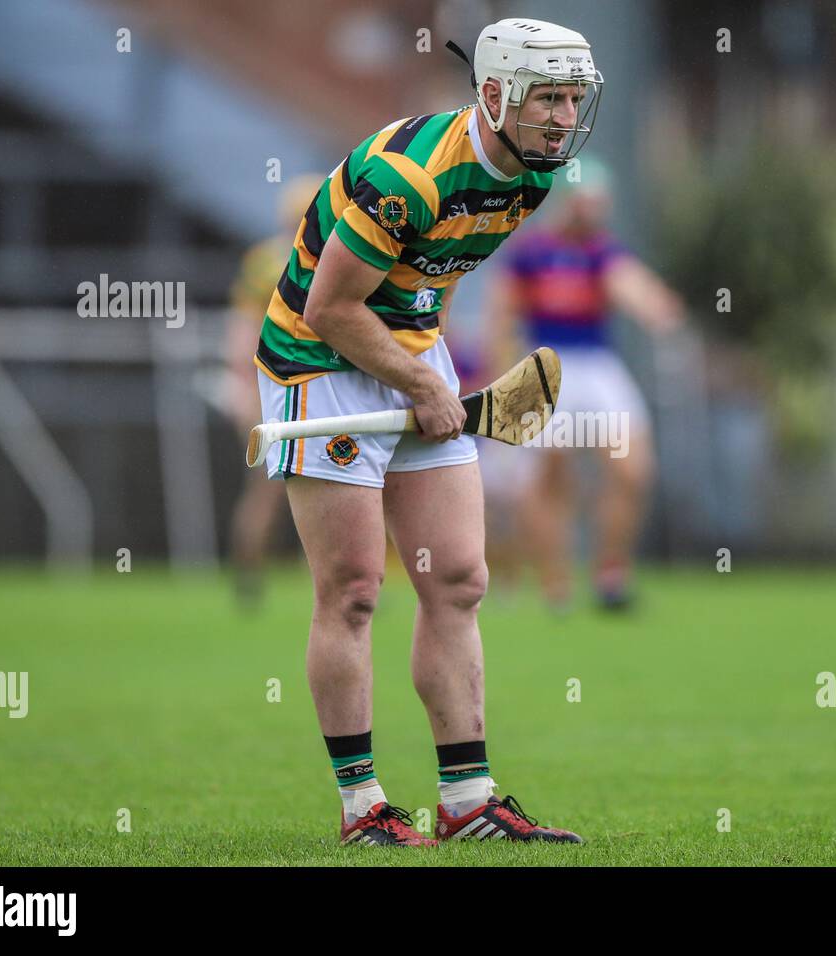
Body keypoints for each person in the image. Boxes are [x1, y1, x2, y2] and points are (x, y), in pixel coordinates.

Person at [251, 19, 601, 847]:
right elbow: (327, 308)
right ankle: (362, 806)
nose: (561, 117)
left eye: (572, 99)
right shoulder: (409, 177)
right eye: (546, 97)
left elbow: (432, 276)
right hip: (316, 362)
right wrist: (418, 382)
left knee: (459, 578)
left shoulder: (532, 178)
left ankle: (467, 800)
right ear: (493, 94)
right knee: (355, 589)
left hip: (410, 355)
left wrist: (433, 370)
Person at [486, 156, 684, 611]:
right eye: (587, 202)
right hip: (546, 365)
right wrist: (500, 372)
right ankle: (556, 583)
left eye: (600, 204)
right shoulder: (531, 253)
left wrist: (656, 307)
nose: (594, 212)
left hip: (597, 365)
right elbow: (501, 316)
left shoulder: (602, 252)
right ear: (569, 202)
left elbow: (630, 285)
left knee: (633, 469)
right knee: (550, 478)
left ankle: (610, 572)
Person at [226, 175, 323, 607]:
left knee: (272, 489)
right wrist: (246, 389)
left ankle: (249, 577)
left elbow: (241, 329)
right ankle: (326, 579)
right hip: (291, 386)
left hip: (276, 386)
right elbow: (245, 330)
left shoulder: (265, 258)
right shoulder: (296, 260)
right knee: (319, 485)